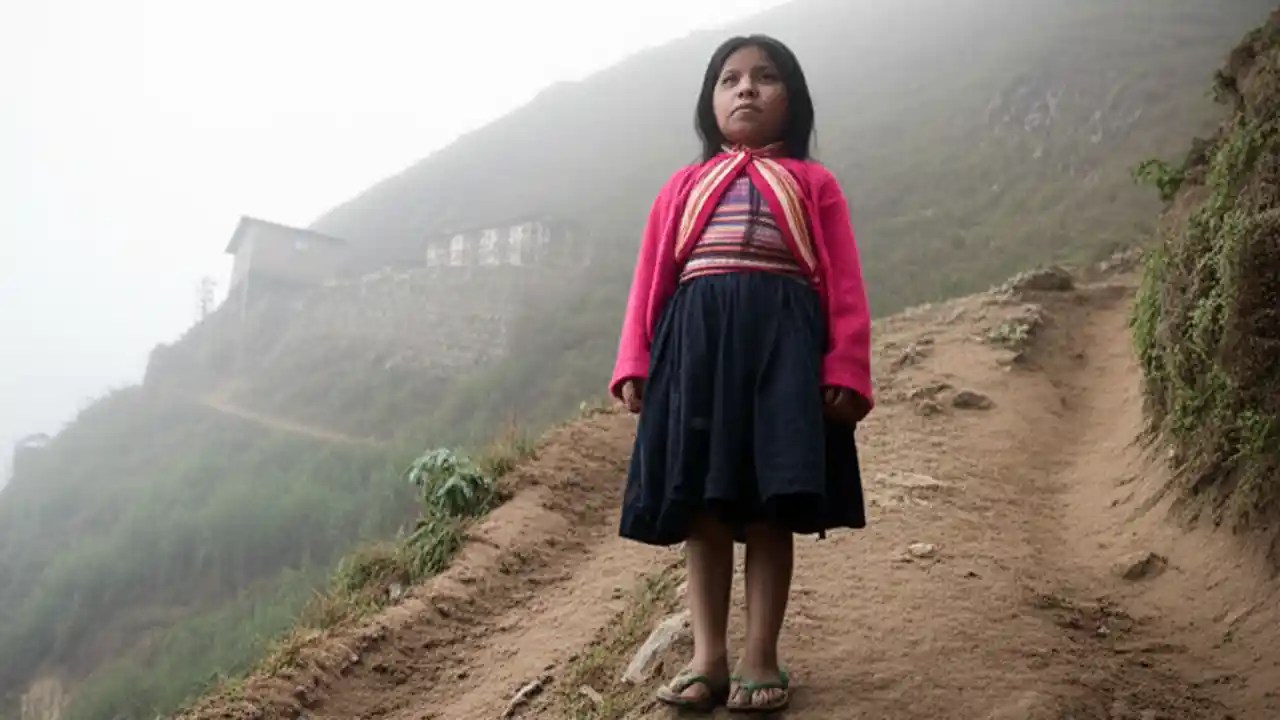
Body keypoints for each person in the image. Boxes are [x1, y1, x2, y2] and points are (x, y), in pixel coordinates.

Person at [609, 33, 874, 714]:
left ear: (793, 99)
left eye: (765, 77)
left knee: (767, 507)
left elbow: (844, 282)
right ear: (710, 102)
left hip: (782, 350)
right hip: (695, 349)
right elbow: (651, 279)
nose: (746, 88)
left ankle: (761, 656)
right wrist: (636, 359)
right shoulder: (682, 187)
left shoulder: (815, 184)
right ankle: (708, 658)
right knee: (702, 506)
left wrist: (846, 365)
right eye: (729, 79)